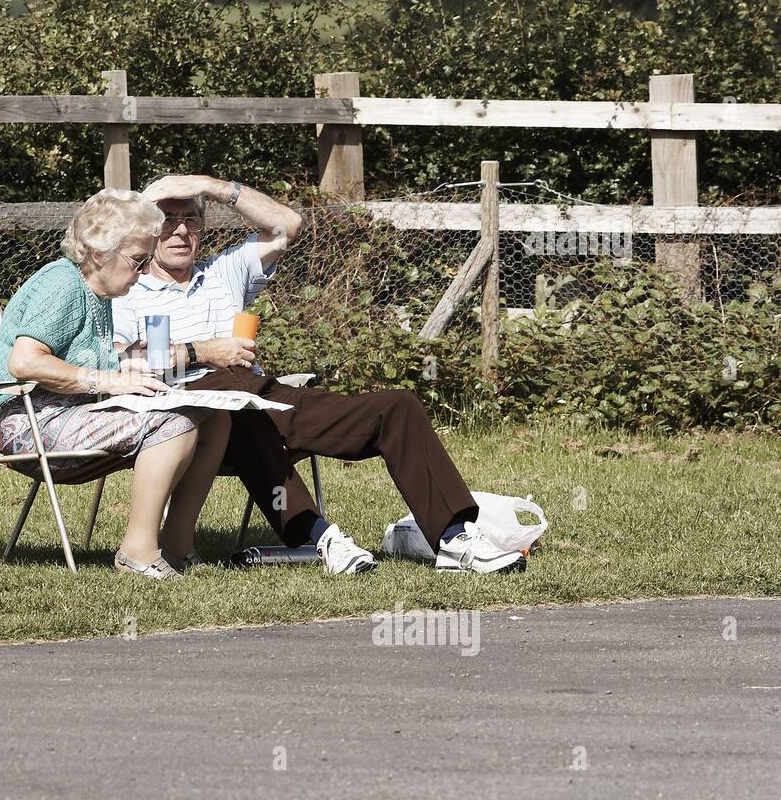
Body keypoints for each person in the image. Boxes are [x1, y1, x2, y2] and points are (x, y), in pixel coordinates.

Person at [111, 174, 526, 575]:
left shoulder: (224, 271)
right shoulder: (128, 290)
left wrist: (209, 186)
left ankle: (454, 538)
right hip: (195, 417)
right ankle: (321, 536)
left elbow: (288, 224)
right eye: (168, 221)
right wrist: (204, 352)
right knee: (234, 398)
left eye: (192, 220)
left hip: (267, 394)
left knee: (397, 405)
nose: (181, 231)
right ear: (148, 230)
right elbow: (121, 360)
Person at [0, 187, 231, 579]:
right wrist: (108, 380)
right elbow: (25, 361)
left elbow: (77, 355)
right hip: (34, 423)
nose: (141, 273)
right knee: (174, 421)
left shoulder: (98, 292)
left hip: (72, 412)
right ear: (100, 252)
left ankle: (177, 547)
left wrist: (125, 366)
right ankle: (137, 552)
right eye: (137, 261)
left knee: (214, 416)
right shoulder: (61, 283)